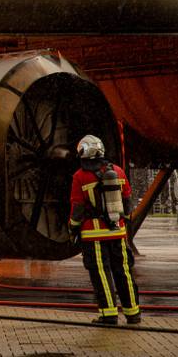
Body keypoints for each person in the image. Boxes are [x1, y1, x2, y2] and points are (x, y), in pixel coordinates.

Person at [69, 134, 141, 325]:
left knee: (101, 273)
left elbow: (77, 207)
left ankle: (109, 315)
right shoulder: (117, 171)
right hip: (118, 232)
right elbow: (128, 201)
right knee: (123, 271)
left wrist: (73, 229)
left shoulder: (80, 176)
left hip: (94, 236)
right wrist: (122, 223)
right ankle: (133, 313)